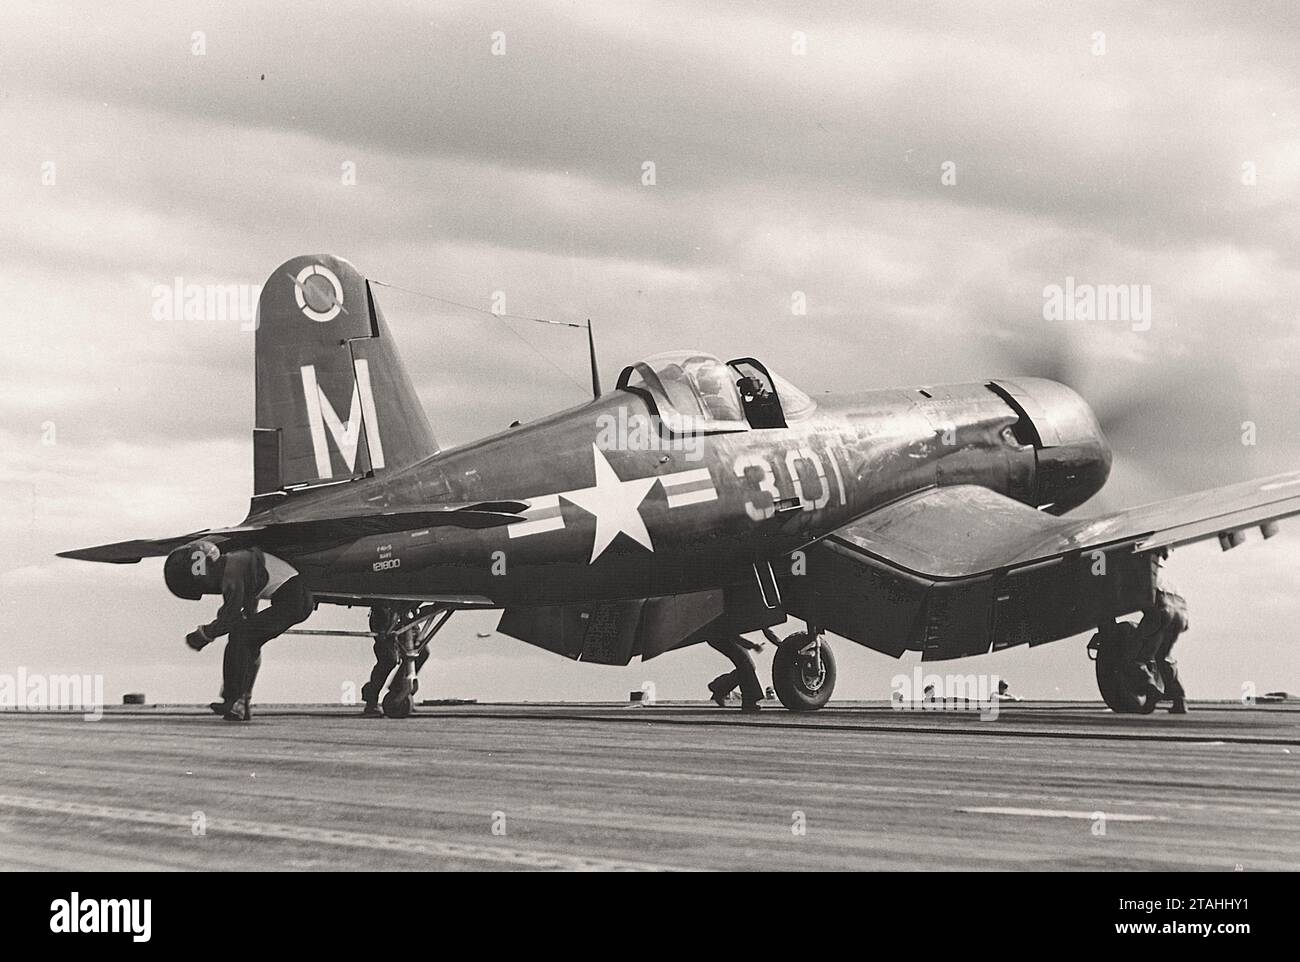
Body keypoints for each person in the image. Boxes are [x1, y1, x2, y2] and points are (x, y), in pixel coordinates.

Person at [166, 540, 314, 722]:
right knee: (246, 639)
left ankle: (234, 700)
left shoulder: (231, 571)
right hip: (297, 600)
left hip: (294, 601)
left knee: (240, 636)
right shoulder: (237, 563)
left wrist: (204, 634)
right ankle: (240, 704)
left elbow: (229, 616)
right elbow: (247, 603)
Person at [1134, 551, 1190, 714]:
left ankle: (1152, 690)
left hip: (1161, 609)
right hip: (1181, 612)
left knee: (1136, 657)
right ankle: (1180, 700)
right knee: (1162, 657)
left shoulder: (1144, 569)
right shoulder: (1165, 573)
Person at [361, 604, 429, 718]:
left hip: (405, 615)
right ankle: (371, 700)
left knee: (421, 652)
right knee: (388, 659)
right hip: (384, 614)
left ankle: (399, 693)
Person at [706, 635, 765, 712]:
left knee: (746, 666)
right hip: (721, 634)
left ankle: (720, 688)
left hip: (720, 635)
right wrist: (751, 645)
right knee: (746, 665)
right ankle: (749, 700)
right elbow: (730, 632)